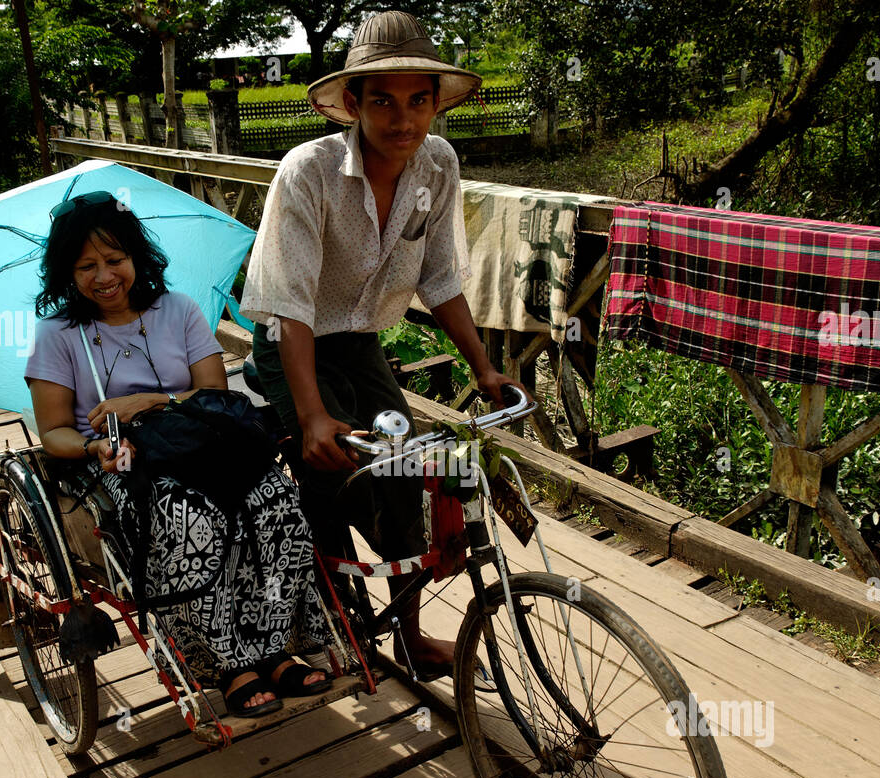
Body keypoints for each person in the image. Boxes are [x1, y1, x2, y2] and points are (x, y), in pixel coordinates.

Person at [240, 10, 524, 679]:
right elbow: (286, 307)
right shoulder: (307, 173)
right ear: (352, 105)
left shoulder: (438, 164)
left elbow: (441, 276)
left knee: (400, 474)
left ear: (434, 102)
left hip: (359, 338)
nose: (404, 121)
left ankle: (409, 632)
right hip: (291, 343)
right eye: (384, 103)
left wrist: (484, 366)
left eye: (418, 101)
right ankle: (333, 619)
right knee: (331, 466)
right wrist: (310, 413)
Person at [26, 192, 334, 718]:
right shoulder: (59, 336)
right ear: (67, 273)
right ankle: (227, 662)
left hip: (200, 444)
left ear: (136, 257)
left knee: (273, 499)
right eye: (87, 266)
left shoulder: (179, 310)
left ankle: (275, 647)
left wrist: (152, 399)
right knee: (185, 518)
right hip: (121, 462)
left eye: (115, 260)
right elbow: (52, 430)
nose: (104, 276)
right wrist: (93, 443)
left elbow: (218, 394)